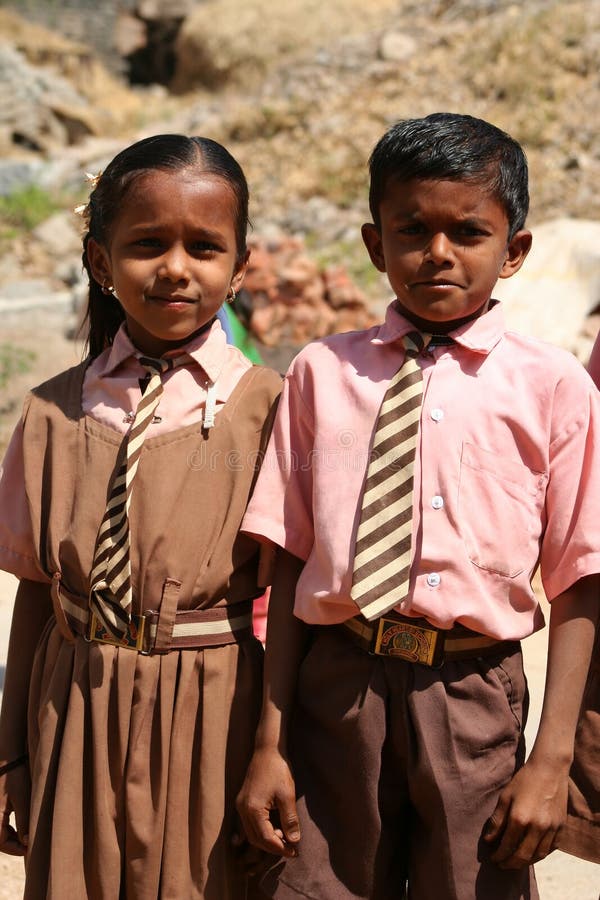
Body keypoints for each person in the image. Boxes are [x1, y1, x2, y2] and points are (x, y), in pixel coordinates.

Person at [236, 113, 600, 899]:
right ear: (376, 245)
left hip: (471, 697)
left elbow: (579, 579)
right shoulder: (320, 374)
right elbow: (293, 565)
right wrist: (271, 742)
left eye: (468, 231)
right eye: (413, 229)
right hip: (338, 692)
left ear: (515, 251)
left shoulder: (556, 386)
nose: (438, 252)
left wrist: (552, 760)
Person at [0, 133, 281, 898]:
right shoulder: (53, 412)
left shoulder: (269, 410)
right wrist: (10, 753)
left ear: (240, 266)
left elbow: (286, 601)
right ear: (100, 261)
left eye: (204, 247)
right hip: (74, 705)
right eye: (148, 244)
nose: (176, 268)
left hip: (212, 708)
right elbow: (35, 591)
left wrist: (272, 748)